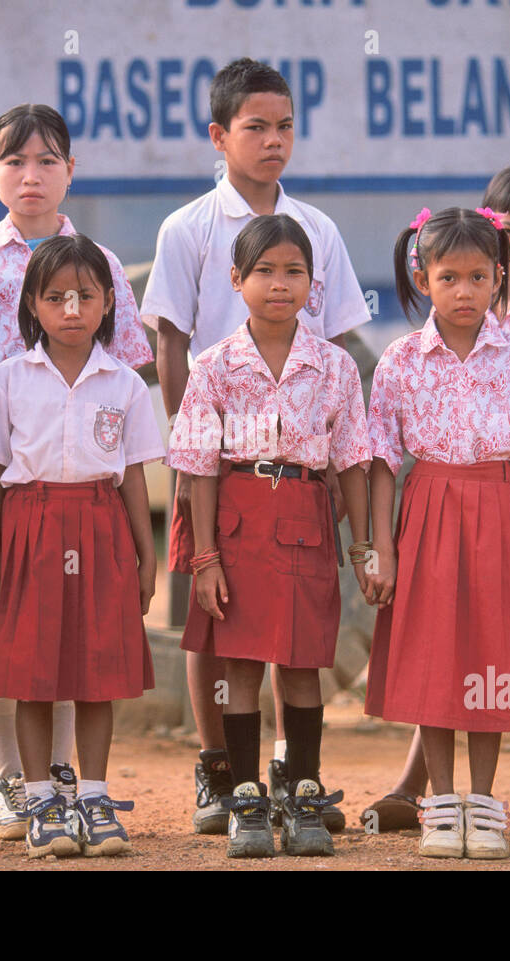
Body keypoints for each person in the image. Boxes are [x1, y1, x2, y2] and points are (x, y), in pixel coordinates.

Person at [143, 57, 368, 834]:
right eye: (255, 127)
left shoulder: (320, 231)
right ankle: (220, 771)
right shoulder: (188, 229)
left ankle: (291, 777)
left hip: (299, 465)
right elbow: (170, 344)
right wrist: (190, 450)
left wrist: (336, 482)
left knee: (293, 627)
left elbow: (335, 345)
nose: (274, 141)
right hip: (215, 461)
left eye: (285, 127)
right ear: (219, 135)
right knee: (219, 614)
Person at [0, 103, 153, 840]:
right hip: (2, 477)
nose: (31, 176)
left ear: (71, 170)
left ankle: (71, 784)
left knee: (79, 636)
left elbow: (123, 381)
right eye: (15, 161)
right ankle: (17, 782)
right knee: (10, 631)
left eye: (48, 160)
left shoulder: (101, 267)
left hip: (82, 482)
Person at [362, 168, 510, 834]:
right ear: (423, 280)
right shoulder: (398, 360)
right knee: (436, 657)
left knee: (494, 658)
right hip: (427, 515)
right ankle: (442, 803)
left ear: (499, 279)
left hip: (503, 515)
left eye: (478, 277)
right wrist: (382, 549)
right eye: (448, 277)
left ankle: (482, 804)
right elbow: (381, 465)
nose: (463, 290)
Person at [168, 214, 371, 858]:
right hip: (238, 520)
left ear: (314, 284)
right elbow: (199, 470)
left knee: (303, 659)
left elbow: (355, 463)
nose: (279, 284)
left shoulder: (336, 366)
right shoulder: (214, 365)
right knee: (241, 663)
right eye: (264, 271)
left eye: (294, 272)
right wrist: (205, 558)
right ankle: (247, 796)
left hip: (307, 519)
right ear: (235, 279)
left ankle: (303, 790)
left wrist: (363, 546)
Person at [0, 234, 161, 858]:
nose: (72, 309)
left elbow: (134, 472)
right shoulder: (6, 381)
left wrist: (146, 553)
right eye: (56, 297)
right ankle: (42, 802)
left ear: (109, 302)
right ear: (33, 305)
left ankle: (95, 798)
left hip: (101, 524)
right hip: (28, 526)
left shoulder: (127, 386)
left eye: (85, 295)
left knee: (96, 673)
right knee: (31, 674)